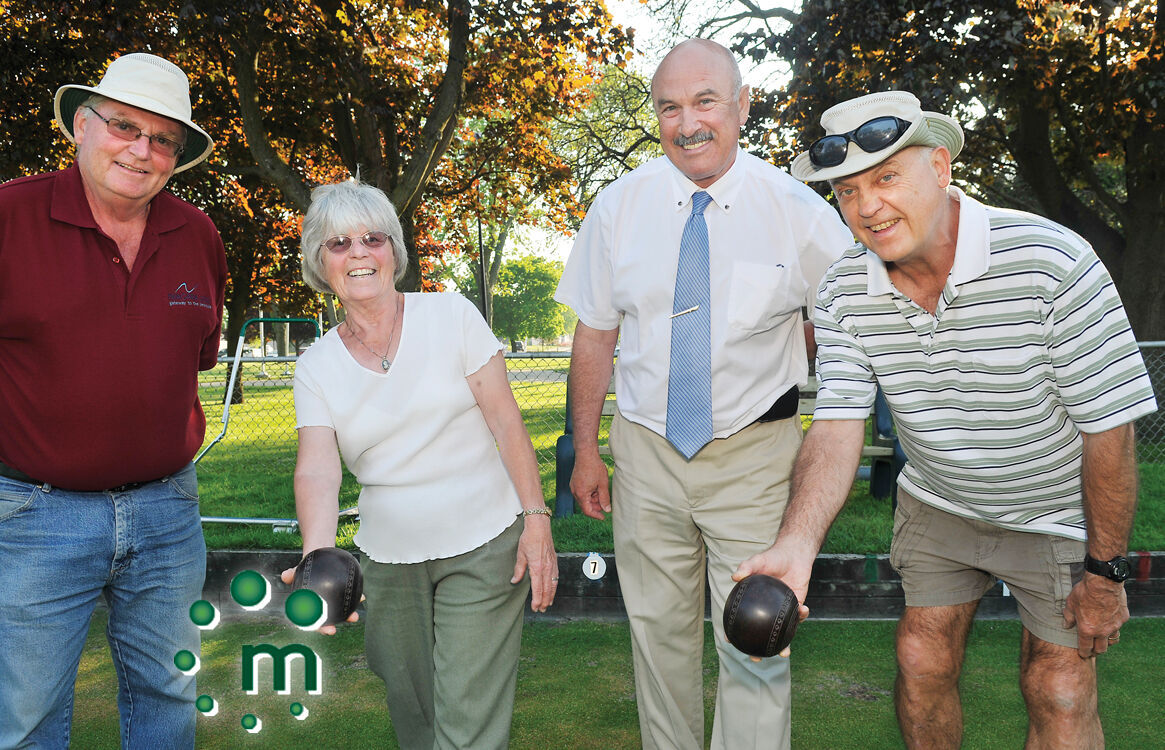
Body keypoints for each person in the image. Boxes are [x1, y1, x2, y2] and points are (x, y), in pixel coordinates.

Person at [735, 91, 1158, 748]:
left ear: (939, 167)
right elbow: (838, 423)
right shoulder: (843, 288)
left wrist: (1105, 574)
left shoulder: (1051, 262)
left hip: (1054, 508)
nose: (866, 206)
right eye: (846, 191)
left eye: (885, 178)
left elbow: (1110, 432)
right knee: (919, 659)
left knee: (1058, 686)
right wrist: (796, 545)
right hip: (939, 500)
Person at [554, 39, 852, 750]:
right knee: (656, 636)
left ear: (743, 105)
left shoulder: (798, 212)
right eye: (669, 107)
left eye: (705, 102)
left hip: (754, 457)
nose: (687, 124)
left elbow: (841, 323)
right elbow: (594, 335)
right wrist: (585, 451)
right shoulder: (618, 208)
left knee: (757, 633)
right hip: (645, 454)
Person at [0, 53, 225, 748]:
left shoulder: (198, 235)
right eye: (124, 126)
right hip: (35, 513)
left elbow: (192, 358)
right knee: (27, 713)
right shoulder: (8, 216)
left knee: (170, 695)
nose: (141, 150)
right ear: (80, 125)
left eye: (163, 139)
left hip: (168, 513)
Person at [285, 179, 557, 750]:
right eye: (338, 243)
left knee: (466, 717)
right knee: (413, 710)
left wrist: (536, 520)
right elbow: (317, 470)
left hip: (485, 542)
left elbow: (507, 423)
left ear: (394, 250)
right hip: (389, 557)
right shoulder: (315, 367)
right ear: (319, 263)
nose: (359, 253)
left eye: (372, 238)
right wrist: (317, 555)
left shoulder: (452, 315)